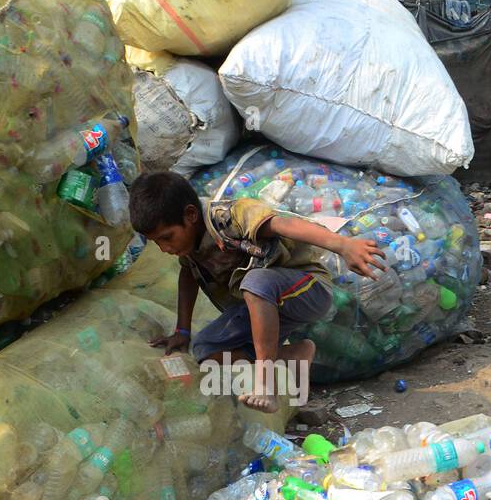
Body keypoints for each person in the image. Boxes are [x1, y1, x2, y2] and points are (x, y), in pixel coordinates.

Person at [128, 171, 386, 412]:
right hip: (259, 306)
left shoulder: (231, 216)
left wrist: (342, 245)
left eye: (167, 237)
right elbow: (188, 274)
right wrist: (182, 331)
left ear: (191, 215)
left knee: (255, 281)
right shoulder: (190, 246)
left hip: (307, 290)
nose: (164, 248)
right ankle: (292, 355)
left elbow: (283, 224)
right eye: (156, 242)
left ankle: (265, 384)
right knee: (205, 350)